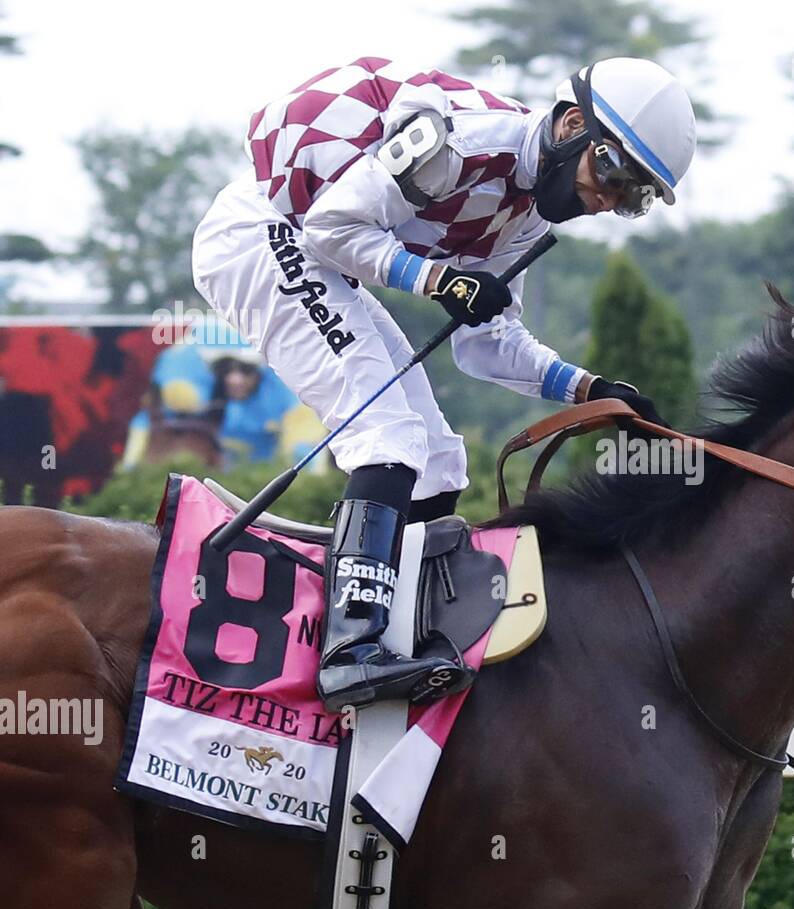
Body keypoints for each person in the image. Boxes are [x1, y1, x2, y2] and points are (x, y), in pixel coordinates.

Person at [192, 56, 697, 711]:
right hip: (263, 236)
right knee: (389, 437)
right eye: (610, 171)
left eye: (631, 198)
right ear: (572, 124)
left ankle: (403, 633)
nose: (605, 200)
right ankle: (348, 651)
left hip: (316, 259)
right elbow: (331, 226)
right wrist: (441, 280)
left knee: (435, 458)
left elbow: (486, 343)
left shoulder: (526, 222)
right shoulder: (460, 144)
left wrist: (589, 387)